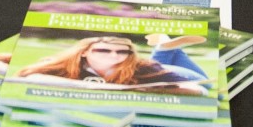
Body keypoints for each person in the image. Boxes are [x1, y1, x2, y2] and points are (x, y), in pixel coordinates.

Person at [15, 35, 207, 91]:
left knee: (211, 87)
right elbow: (26, 75)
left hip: (185, 75)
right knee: (170, 52)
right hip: (153, 67)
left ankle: (165, 48)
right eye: (103, 50)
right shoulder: (64, 65)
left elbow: (197, 90)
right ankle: (165, 47)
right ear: (84, 53)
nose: (113, 56)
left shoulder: (144, 68)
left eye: (121, 51)